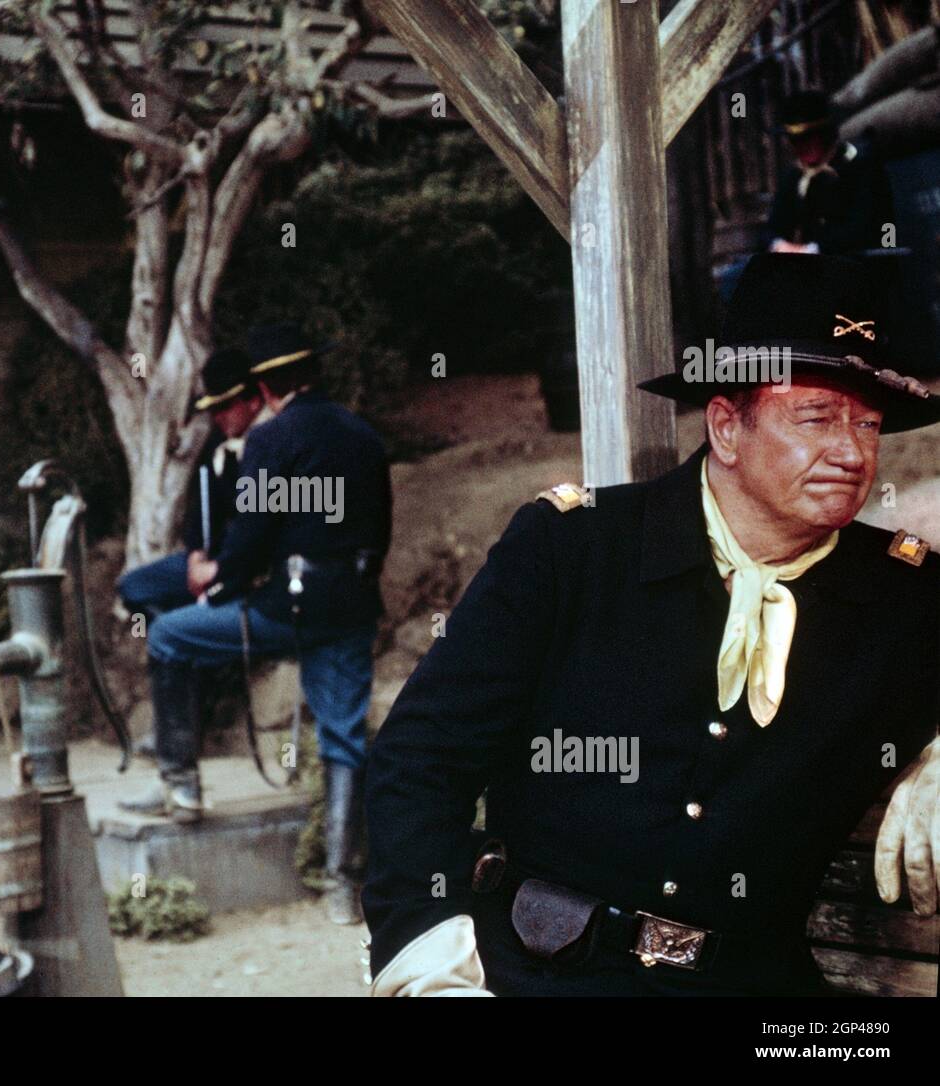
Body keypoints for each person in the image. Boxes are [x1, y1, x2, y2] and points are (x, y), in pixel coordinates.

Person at [363, 253, 939, 995]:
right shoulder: (574, 550)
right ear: (726, 428)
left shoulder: (905, 593)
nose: (852, 452)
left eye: (868, 424)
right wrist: (431, 968)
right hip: (536, 974)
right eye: (816, 417)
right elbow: (421, 762)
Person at [123, 322, 392, 926]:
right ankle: (342, 887)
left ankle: (182, 785)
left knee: (167, 636)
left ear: (266, 387)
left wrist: (219, 582)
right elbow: (380, 531)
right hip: (350, 606)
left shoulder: (270, 440)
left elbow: (250, 537)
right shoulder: (363, 435)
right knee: (345, 739)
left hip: (282, 610)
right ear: (313, 373)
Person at [116, 346, 268, 759]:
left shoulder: (271, 443)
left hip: (245, 571)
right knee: (136, 587)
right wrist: (198, 554)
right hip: (210, 561)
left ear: (253, 400)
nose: (219, 417)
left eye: (226, 407)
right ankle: (187, 686)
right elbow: (201, 506)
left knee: (178, 629)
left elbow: (259, 530)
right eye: (213, 409)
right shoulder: (220, 441)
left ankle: (186, 705)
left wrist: (222, 569)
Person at [767, 89, 894, 256]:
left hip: (851, 263)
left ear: (826, 135)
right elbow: (772, 228)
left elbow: (863, 229)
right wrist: (778, 244)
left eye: (809, 138)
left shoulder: (860, 167)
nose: (802, 146)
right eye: (795, 140)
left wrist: (813, 250)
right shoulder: (794, 175)